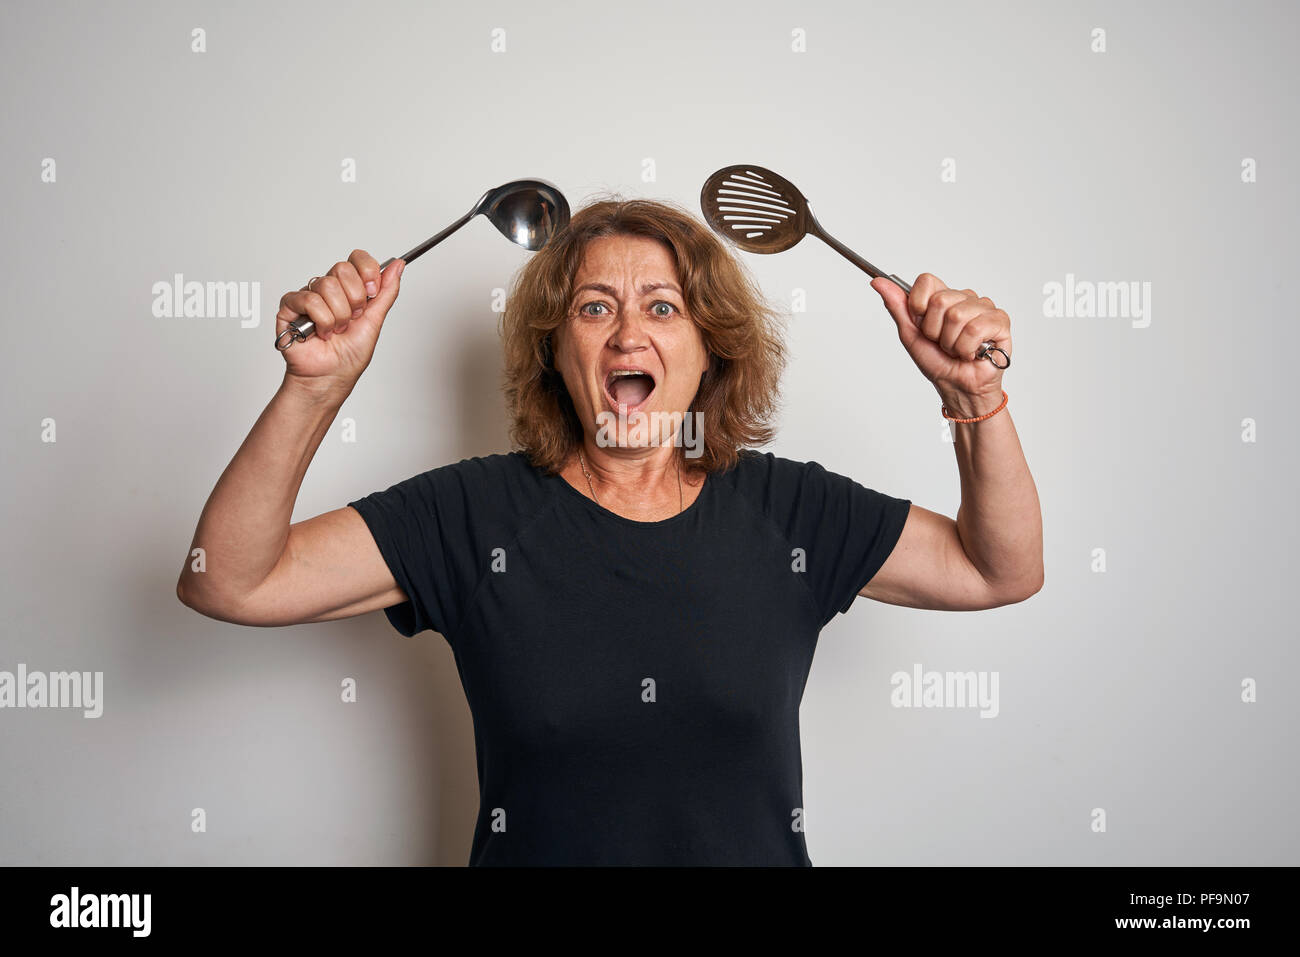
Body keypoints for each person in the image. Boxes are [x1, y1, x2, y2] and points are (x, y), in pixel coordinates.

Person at [176, 198, 1043, 866]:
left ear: (712, 351)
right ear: (554, 351)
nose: (629, 330)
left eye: (664, 308)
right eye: (594, 309)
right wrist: (315, 388)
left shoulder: (791, 514)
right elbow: (229, 578)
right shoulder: (469, 517)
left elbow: (998, 569)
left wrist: (977, 402)